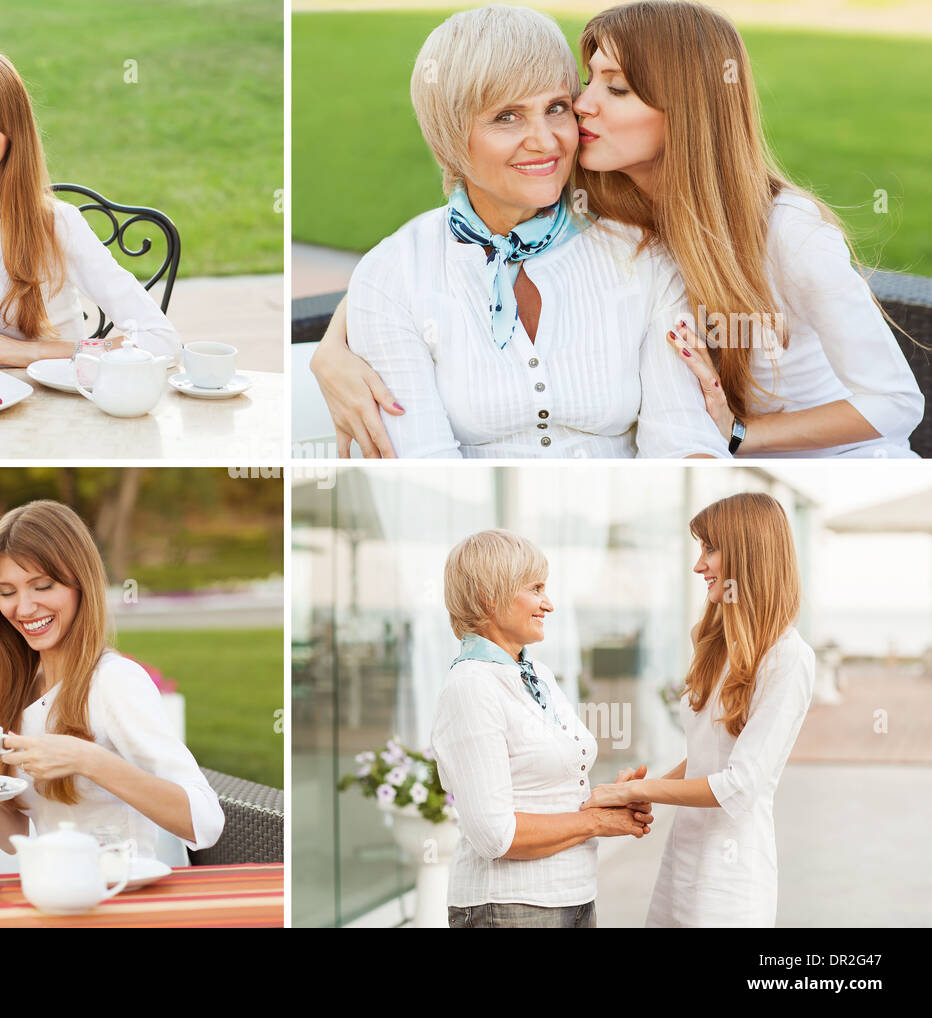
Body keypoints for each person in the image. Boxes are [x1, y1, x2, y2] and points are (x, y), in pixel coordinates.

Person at [313, 1, 922, 458]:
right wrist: (334, 343)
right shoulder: (607, 192)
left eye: (616, 89)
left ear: (682, 110)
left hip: (832, 465)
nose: (579, 109)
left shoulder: (786, 232)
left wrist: (739, 435)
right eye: (588, 81)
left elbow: (895, 403)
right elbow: (460, 235)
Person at [312, 5, 730, 459]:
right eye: (507, 117)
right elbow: (421, 458)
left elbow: (682, 439)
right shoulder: (393, 272)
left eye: (556, 108)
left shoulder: (643, 254)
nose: (546, 141)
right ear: (450, 135)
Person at [0, 500, 222, 861]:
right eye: (7, 592)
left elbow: (206, 821)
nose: (23, 608)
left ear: (80, 584)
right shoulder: (22, 688)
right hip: (57, 892)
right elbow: (14, 835)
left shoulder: (114, 681)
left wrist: (87, 759)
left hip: (121, 899)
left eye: (42, 586)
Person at [583, 493, 815, 926]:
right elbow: (711, 755)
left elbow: (740, 785)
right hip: (682, 859)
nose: (698, 565)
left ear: (748, 554)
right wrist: (648, 786)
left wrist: (636, 792)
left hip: (731, 879)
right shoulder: (720, 645)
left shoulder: (787, 658)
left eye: (710, 548)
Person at [0, 51, 181, 368]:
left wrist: (31, 352)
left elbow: (160, 340)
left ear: (13, 132)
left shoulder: (56, 225)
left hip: (53, 410)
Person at [432, 529, 654, 928]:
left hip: (573, 895)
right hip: (510, 907)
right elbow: (494, 836)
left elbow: (554, 784)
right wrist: (598, 821)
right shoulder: (471, 686)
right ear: (488, 594)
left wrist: (611, 797)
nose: (548, 604)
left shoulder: (537, 674)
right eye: (535, 588)